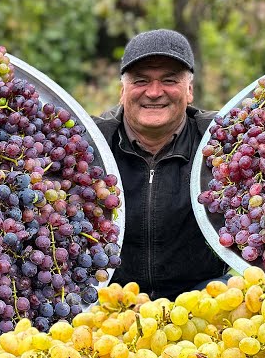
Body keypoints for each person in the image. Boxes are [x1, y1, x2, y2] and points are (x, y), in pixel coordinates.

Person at [94, 29, 231, 299]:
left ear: (189, 91)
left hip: (203, 296)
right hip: (110, 299)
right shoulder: (92, 144)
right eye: (141, 80)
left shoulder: (220, 142)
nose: (154, 92)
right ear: (122, 92)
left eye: (169, 80)